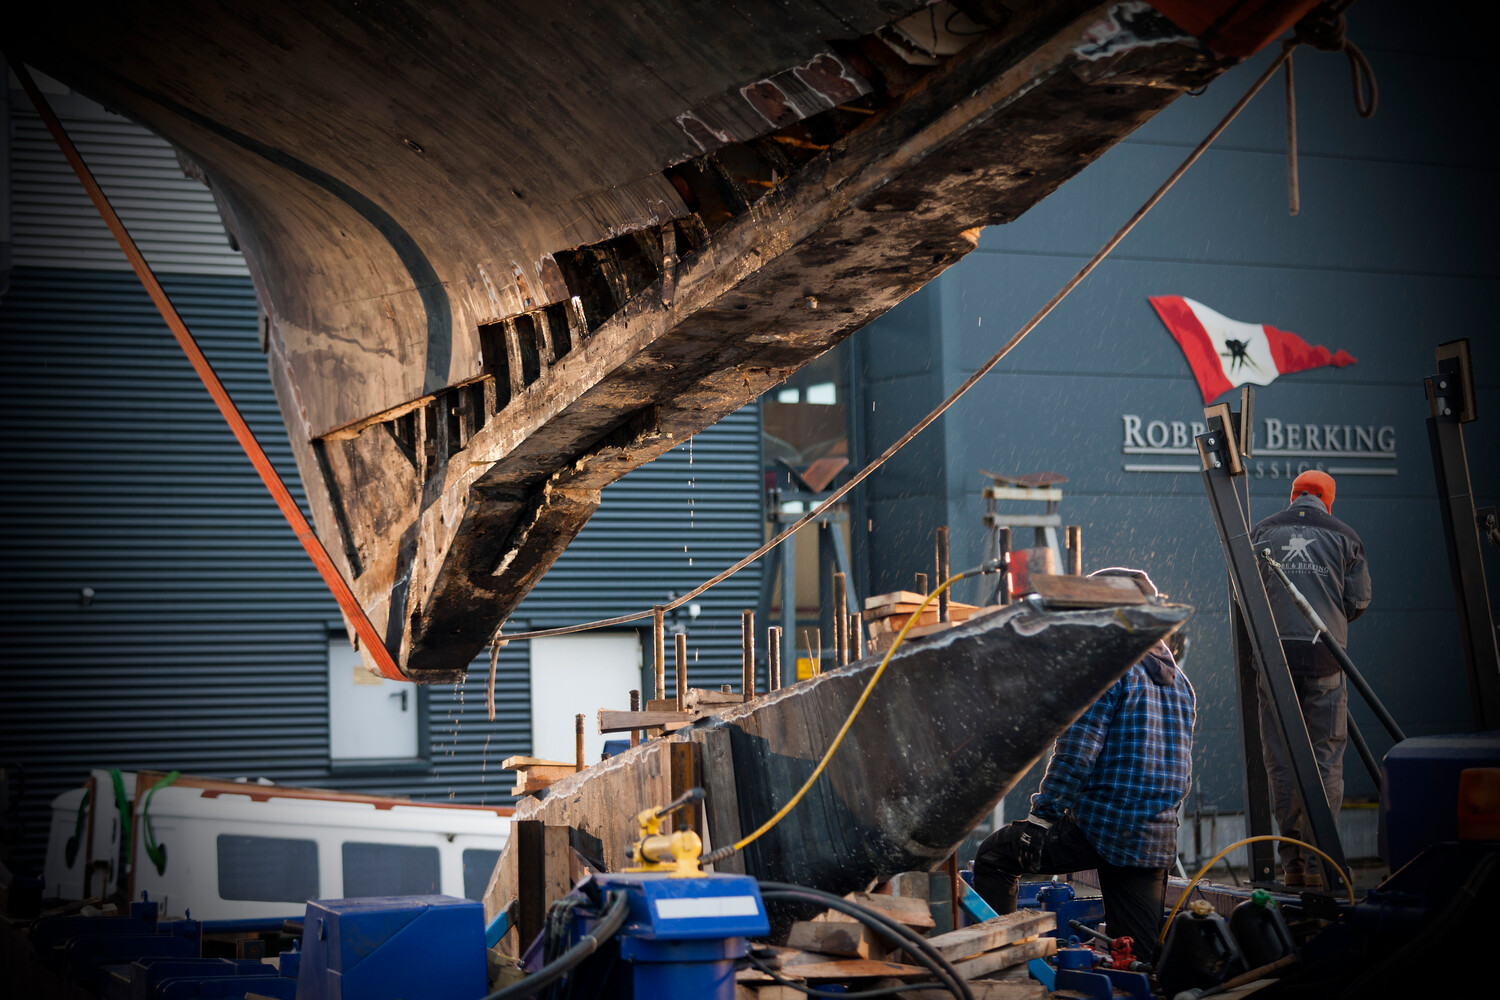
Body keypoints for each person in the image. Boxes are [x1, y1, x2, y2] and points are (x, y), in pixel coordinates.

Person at [971, 567, 1194, 959]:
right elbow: (1181, 775)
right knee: (1134, 958)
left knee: (994, 857)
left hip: (1101, 829)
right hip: (1154, 840)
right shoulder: (1181, 684)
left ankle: (999, 964)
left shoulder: (1109, 672)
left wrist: (1042, 819)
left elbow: (1076, 755)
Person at [1251, 470, 1371, 889]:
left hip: (1274, 658)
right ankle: (1323, 864)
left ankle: (1292, 867)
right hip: (1325, 659)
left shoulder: (1262, 531)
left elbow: (1241, 595)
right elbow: (1356, 602)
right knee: (1325, 760)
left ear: (1294, 496)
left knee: (1282, 762)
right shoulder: (1346, 536)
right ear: (1327, 499)